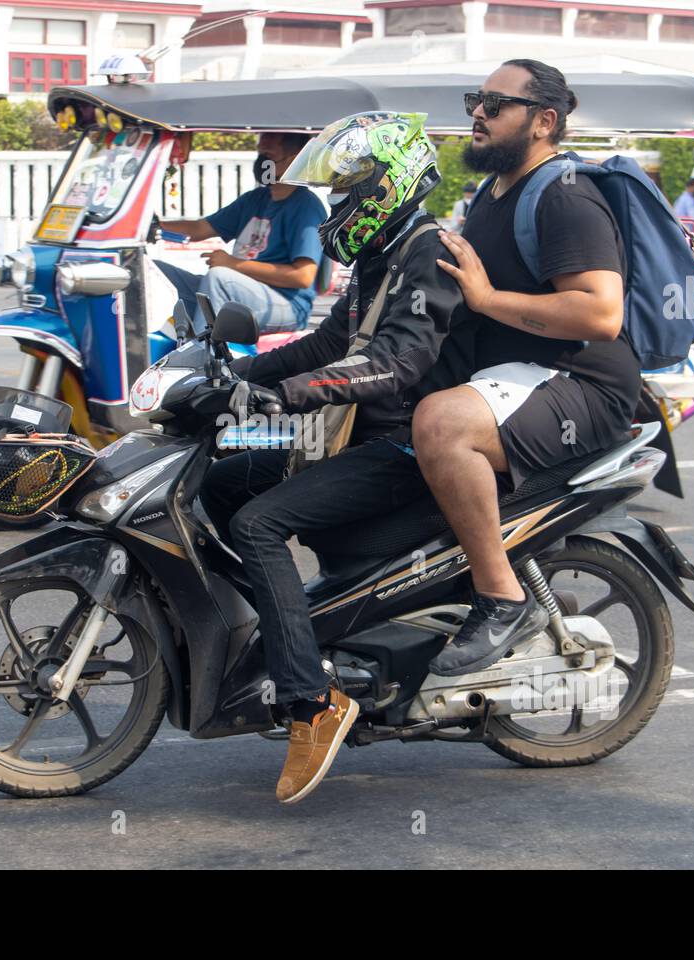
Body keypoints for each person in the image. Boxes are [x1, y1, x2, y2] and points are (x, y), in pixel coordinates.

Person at [200, 112, 476, 803]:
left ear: (389, 184)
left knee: (257, 525)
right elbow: (328, 344)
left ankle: (311, 701)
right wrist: (232, 376)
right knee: (221, 484)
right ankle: (286, 627)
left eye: (349, 188)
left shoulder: (429, 254)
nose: (337, 203)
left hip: (403, 446)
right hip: (351, 432)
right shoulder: (384, 252)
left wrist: (288, 394)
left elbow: (398, 362)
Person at [413, 59, 635, 676]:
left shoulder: (565, 196)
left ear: (543, 121)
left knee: (441, 424)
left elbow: (600, 314)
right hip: (512, 378)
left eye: (495, 104)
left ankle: (502, 597)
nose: (477, 114)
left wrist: (487, 300)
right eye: (474, 100)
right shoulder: (494, 192)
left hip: (580, 384)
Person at [157, 132, 327, 333]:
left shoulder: (306, 207)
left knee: (219, 278)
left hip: (287, 304)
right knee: (157, 272)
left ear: (294, 160)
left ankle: (205, 350)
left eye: (268, 156)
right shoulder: (255, 199)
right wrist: (155, 226)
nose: (262, 163)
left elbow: (303, 276)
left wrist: (232, 264)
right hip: (240, 292)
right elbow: (200, 228)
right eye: (260, 155)